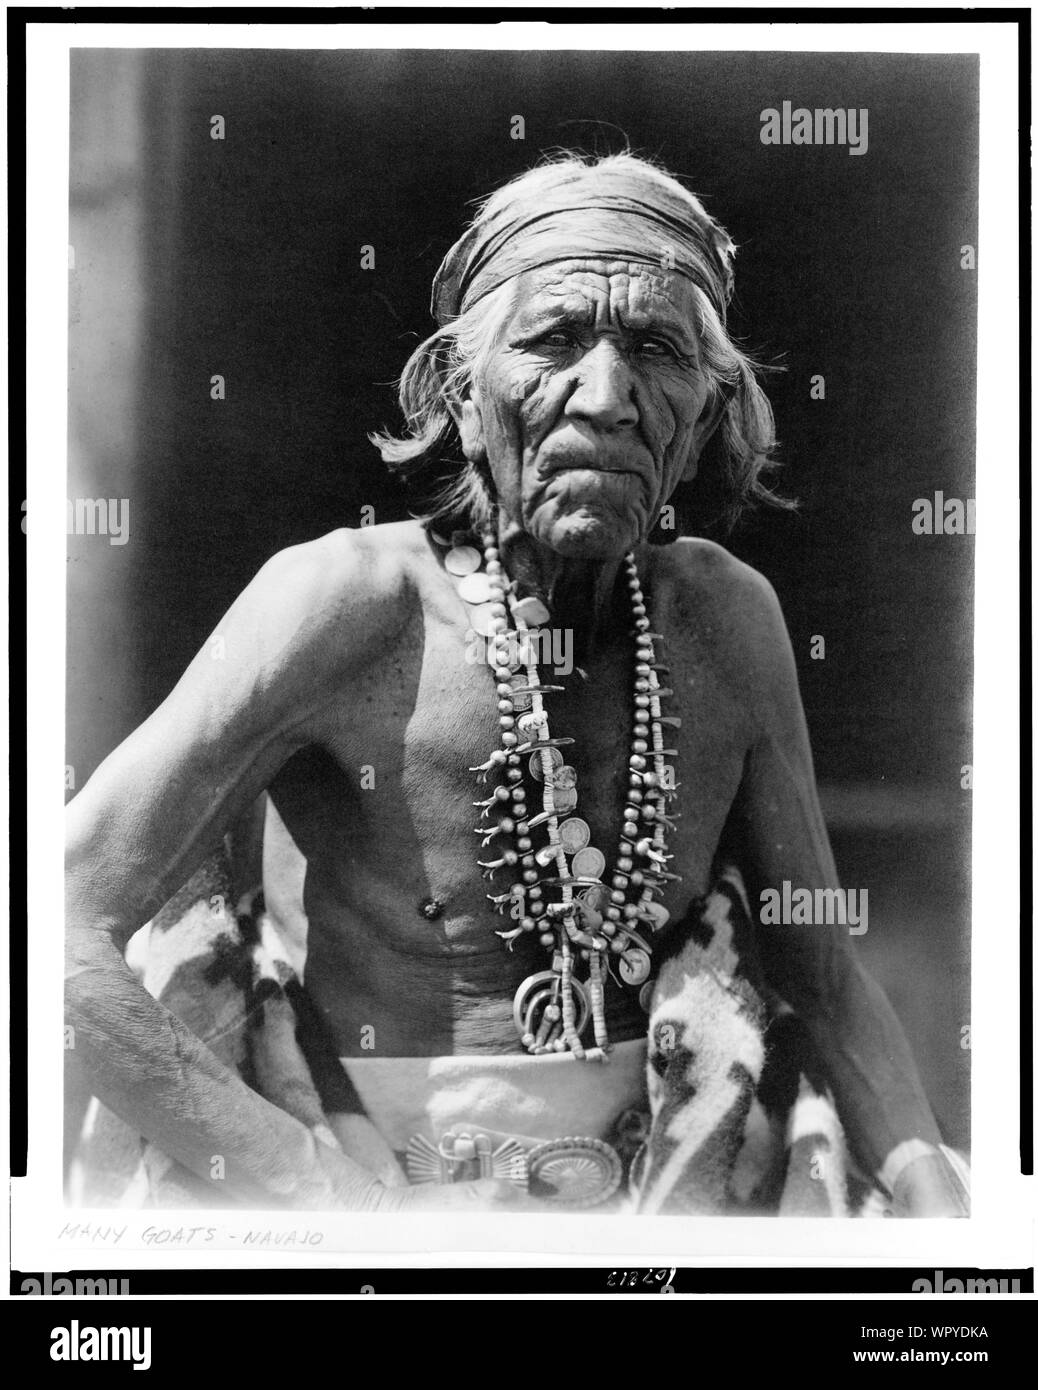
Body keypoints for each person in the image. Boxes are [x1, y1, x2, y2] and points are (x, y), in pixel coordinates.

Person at [65, 151, 967, 1215]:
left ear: (712, 405)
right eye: (552, 341)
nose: (609, 395)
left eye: (657, 351)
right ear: (458, 387)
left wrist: (945, 1210)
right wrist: (318, 1198)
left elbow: (821, 980)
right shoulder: (342, 604)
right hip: (358, 1190)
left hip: (663, 1200)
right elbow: (49, 923)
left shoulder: (725, 618)